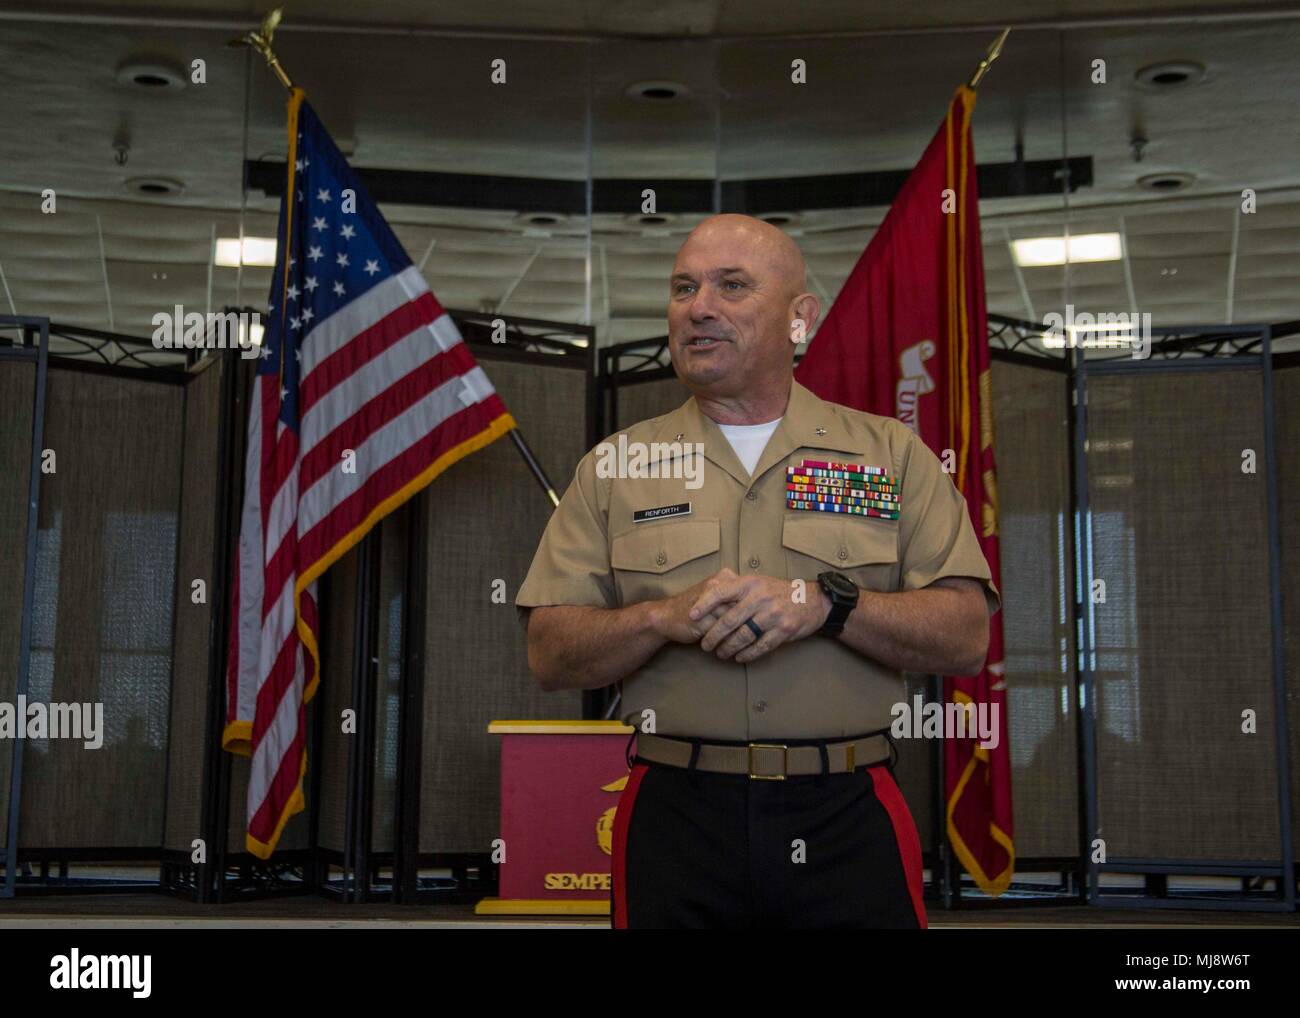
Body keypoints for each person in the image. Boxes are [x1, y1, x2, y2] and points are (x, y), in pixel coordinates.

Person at [515, 213, 999, 929]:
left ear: (800, 319)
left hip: (847, 815)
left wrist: (828, 606)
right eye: (684, 288)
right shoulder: (617, 468)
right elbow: (550, 654)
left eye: (731, 286)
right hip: (677, 818)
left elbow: (964, 637)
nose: (698, 306)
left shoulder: (888, 456)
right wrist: (658, 616)